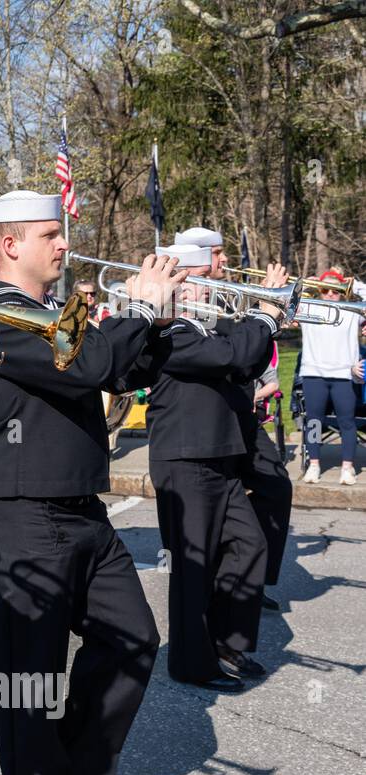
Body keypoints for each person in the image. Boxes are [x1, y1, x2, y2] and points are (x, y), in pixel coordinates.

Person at [0, 189, 182, 775]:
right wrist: (139, 310)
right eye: (49, 235)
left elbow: (122, 365)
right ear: (10, 246)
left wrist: (159, 323)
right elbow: (87, 363)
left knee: (134, 639)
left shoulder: (48, 315)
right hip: (26, 511)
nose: (64, 244)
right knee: (27, 676)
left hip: (82, 510)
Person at [141, 244, 281, 693]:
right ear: (178, 280)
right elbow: (226, 358)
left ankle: (225, 641)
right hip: (184, 458)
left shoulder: (210, 325)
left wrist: (266, 325)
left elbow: (245, 364)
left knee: (249, 545)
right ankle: (191, 663)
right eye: (201, 275)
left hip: (220, 454)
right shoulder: (167, 330)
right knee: (193, 568)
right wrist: (264, 316)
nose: (210, 284)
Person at [236, 340, 293, 611]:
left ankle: (254, 581)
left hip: (247, 420)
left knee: (278, 488)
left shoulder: (251, 331)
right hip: (212, 422)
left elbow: (270, 379)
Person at [295, 270, 364, 485]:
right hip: (314, 374)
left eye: (337, 290)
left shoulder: (353, 311)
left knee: (347, 422)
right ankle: (314, 464)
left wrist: (356, 286)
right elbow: (286, 304)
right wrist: (306, 285)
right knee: (314, 422)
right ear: (319, 291)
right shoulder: (308, 308)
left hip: (345, 375)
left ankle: (347, 467)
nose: (331, 294)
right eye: (325, 290)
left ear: (343, 291)